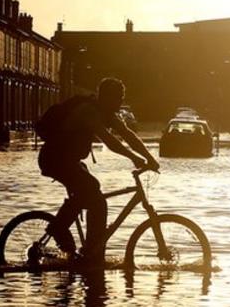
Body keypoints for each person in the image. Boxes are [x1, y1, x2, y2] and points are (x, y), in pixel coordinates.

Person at [38, 78, 159, 267]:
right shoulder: (89, 111)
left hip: (68, 160)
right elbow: (110, 141)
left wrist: (150, 158)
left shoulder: (107, 113)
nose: (120, 102)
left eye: (122, 98)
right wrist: (133, 158)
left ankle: (92, 251)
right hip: (54, 159)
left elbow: (128, 135)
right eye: (118, 98)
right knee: (92, 188)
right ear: (107, 97)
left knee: (96, 200)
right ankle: (62, 231)